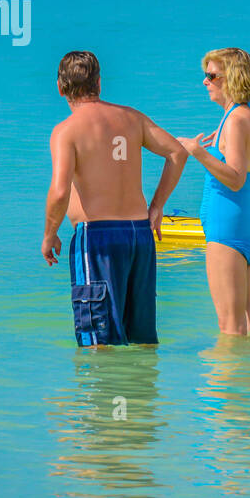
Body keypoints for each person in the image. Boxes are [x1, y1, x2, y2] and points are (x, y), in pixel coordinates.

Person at [42, 51, 187, 346]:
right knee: (142, 339)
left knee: (99, 342)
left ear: (60, 87)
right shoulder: (132, 118)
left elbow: (59, 191)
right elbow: (177, 152)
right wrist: (157, 206)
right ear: (98, 82)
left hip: (97, 238)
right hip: (139, 235)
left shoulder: (66, 131)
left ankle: (102, 392)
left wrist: (50, 234)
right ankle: (141, 391)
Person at [176, 48, 250, 336]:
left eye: (211, 76)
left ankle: (224, 382)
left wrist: (197, 153)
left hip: (227, 233)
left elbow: (235, 179)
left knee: (230, 327)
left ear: (231, 78)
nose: (205, 82)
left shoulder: (234, 120)